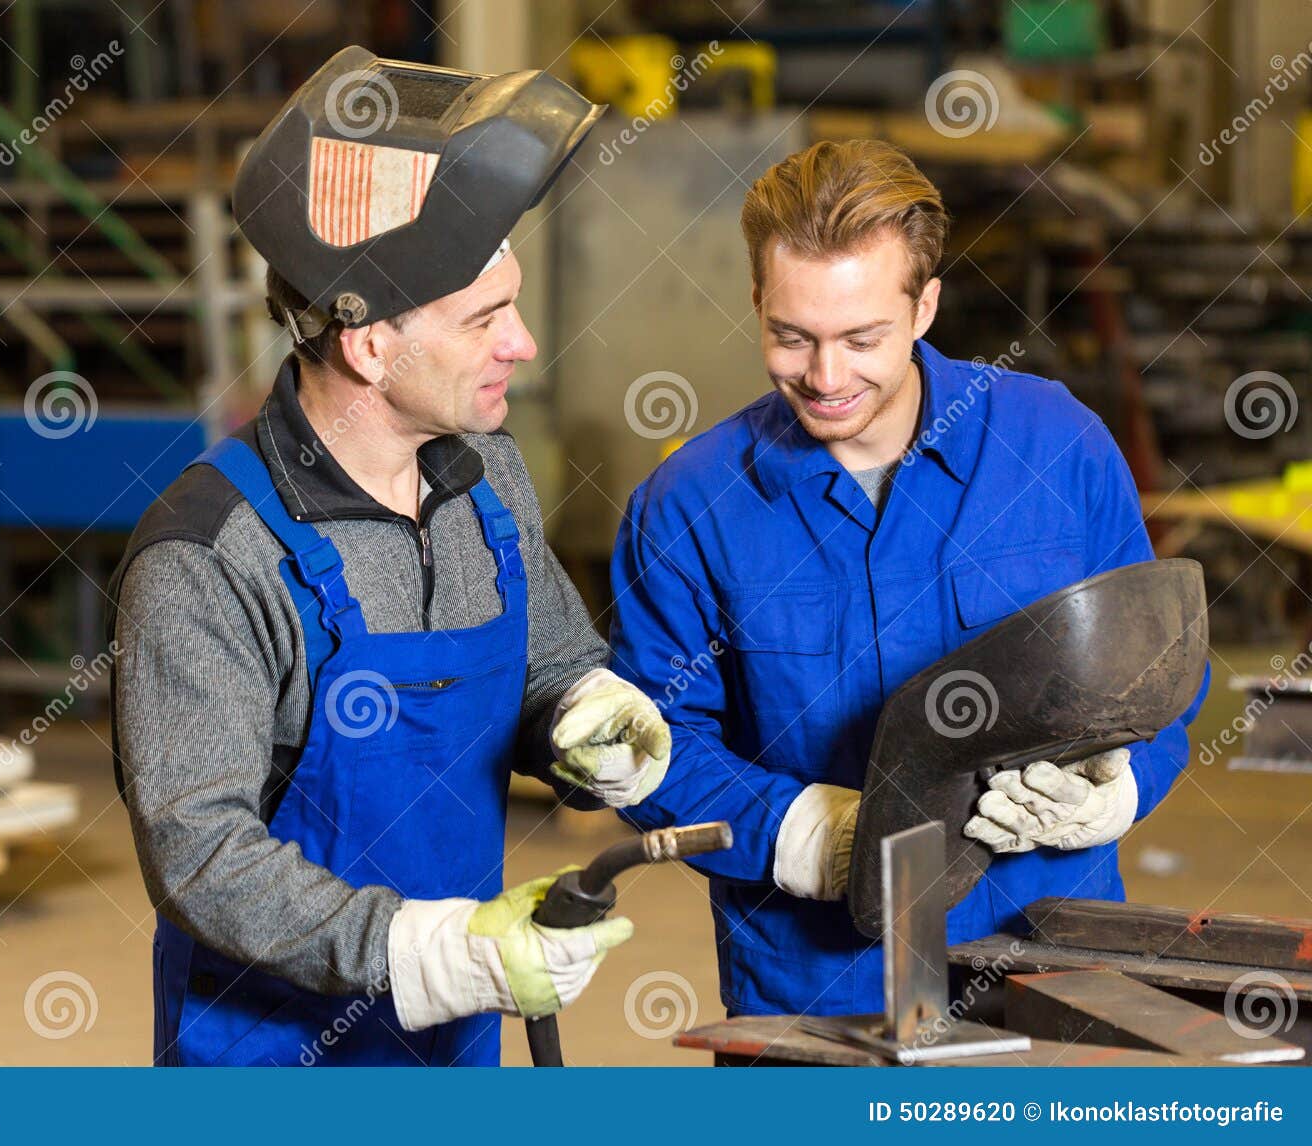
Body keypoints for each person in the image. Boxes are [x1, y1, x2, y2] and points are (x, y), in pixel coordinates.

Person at [107, 47, 670, 1066]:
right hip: (272, 1057)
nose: (524, 344)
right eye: (486, 318)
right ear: (368, 345)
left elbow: (547, 663)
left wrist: (591, 717)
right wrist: (430, 947)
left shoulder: (486, 482)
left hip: (454, 1029)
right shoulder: (209, 553)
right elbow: (199, 852)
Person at [607, 138, 1209, 1016]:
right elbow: (639, 746)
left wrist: (1121, 788)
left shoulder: (1056, 447)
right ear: (756, 302)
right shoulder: (690, 504)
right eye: (791, 336)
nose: (825, 376)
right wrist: (796, 833)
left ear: (925, 305)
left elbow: (1156, 675)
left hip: (1053, 966)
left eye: (861, 337)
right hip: (819, 992)